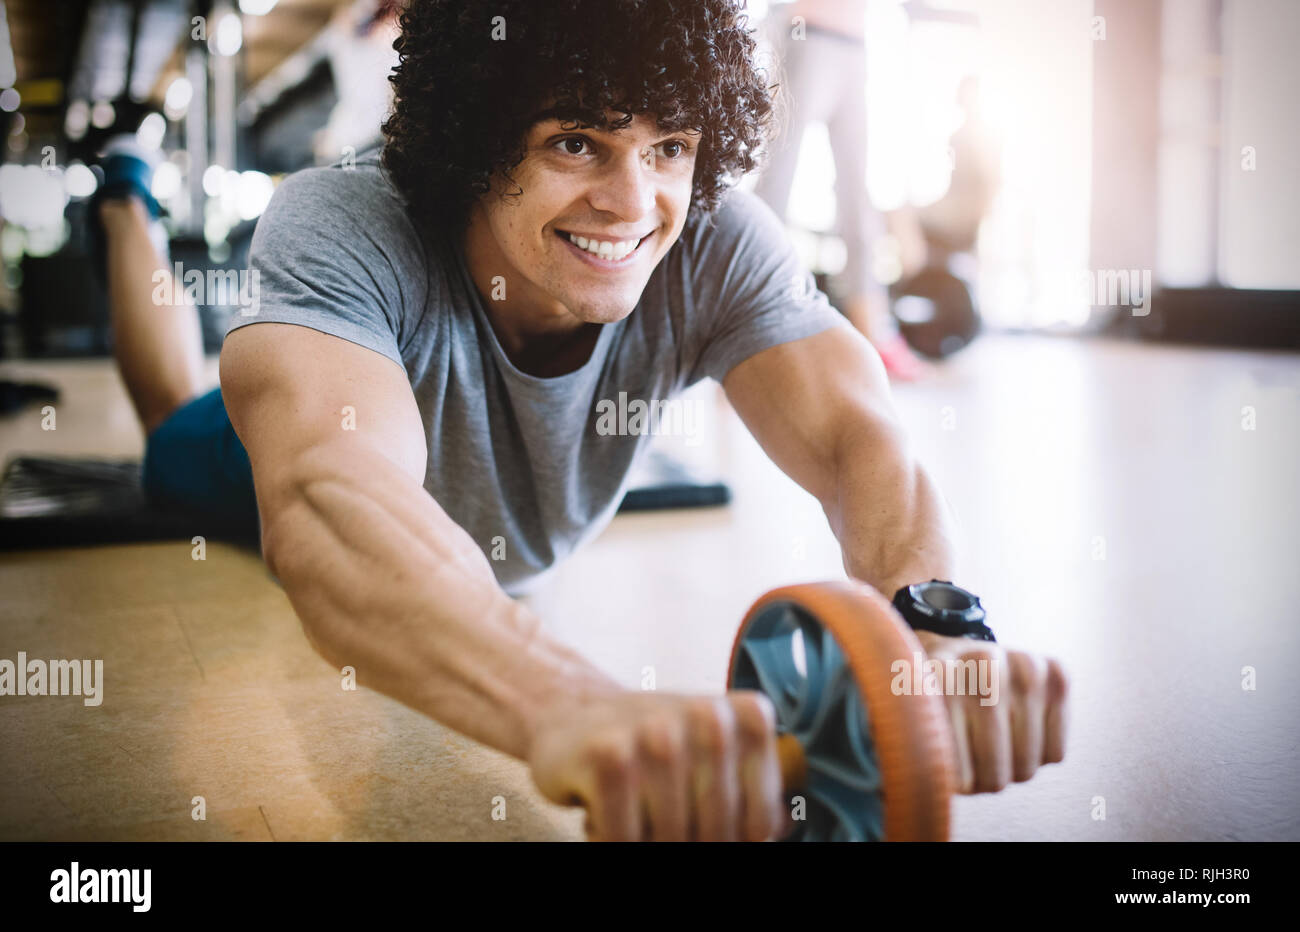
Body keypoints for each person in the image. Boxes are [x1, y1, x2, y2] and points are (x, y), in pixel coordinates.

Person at [94, 0, 1066, 842]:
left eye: (669, 147)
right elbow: (327, 504)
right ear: (478, 134)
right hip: (263, 443)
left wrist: (933, 617)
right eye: (575, 142)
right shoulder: (344, 221)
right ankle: (123, 193)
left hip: (472, 531)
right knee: (166, 423)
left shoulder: (717, 243)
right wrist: (573, 706)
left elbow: (860, 436)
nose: (632, 202)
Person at [756, 0, 928, 379]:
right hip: (809, 35)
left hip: (855, 45)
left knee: (857, 198)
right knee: (775, 188)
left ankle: (874, 335)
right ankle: (740, 327)